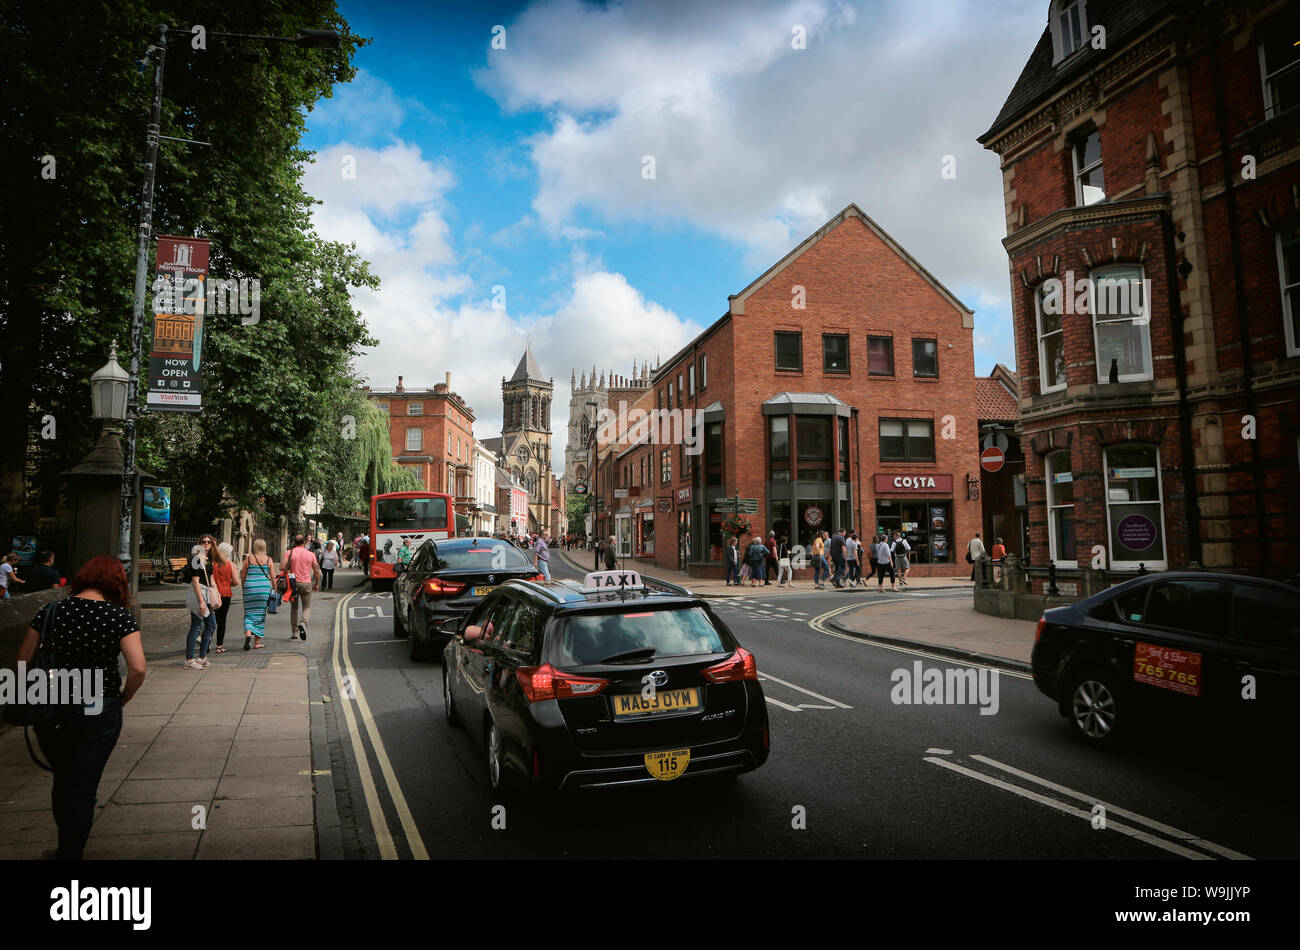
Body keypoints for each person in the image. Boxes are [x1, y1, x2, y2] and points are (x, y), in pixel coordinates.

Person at [16, 555, 146, 860]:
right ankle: (72, 851)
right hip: (99, 703)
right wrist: (122, 696)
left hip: (54, 701)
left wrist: (31, 695)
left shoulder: (51, 610)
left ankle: (65, 846)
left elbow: (23, 661)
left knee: (63, 779)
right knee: (85, 784)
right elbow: (137, 668)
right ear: (117, 582)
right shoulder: (118, 616)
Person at [182, 535, 218, 670]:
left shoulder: (209, 559)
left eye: (209, 542)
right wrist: (201, 601)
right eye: (203, 542)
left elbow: (211, 577)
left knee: (211, 624)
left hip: (207, 594)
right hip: (200, 595)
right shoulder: (197, 559)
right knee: (196, 626)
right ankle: (189, 659)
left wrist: (215, 592)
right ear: (199, 543)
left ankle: (202, 657)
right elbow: (195, 581)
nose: (206, 544)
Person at [241, 538, 277, 650]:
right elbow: (273, 577)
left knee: (248, 613)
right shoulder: (268, 560)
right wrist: (275, 589)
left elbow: (242, 575)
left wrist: (244, 587)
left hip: (249, 588)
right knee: (260, 614)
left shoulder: (248, 559)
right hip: (263, 589)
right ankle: (257, 642)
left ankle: (248, 632)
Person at [285, 534, 322, 641]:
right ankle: (303, 623)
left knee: (294, 608)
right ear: (304, 543)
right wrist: (316, 584)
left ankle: (294, 632)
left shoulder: (289, 553)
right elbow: (317, 571)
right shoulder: (310, 554)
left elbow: (282, 567)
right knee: (306, 607)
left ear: (294, 542)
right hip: (306, 583)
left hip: (293, 584)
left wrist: (290, 566)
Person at [210, 541, 238, 654]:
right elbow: (236, 582)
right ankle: (219, 645)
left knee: (211, 620)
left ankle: (206, 642)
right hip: (225, 594)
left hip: (213, 594)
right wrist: (228, 584)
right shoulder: (230, 565)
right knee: (222, 620)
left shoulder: (212, 564)